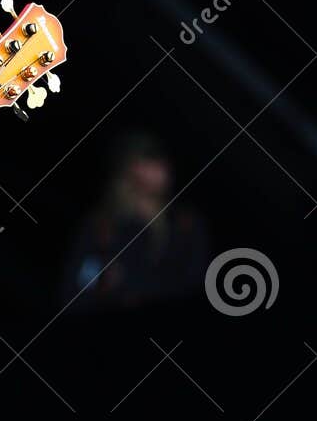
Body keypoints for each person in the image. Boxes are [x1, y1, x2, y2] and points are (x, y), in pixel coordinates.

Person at [62, 131, 208, 310]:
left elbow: (195, 282)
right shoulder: (103, 225)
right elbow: (78, 287)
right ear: (130, 169)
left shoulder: (185, 223)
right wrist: (105, 278)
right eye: (149, 159)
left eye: (160, 159)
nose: (162, 168)